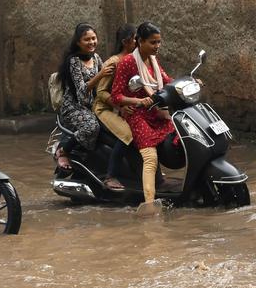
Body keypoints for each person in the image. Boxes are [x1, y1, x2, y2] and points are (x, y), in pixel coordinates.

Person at [110, 21, 174, 211]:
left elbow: (167, 80)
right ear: (140, 42)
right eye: (153, 43)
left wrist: (188, 82)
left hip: (156, 112)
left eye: (159, 42)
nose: (157, 46)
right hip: (138, 115)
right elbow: (116, 96)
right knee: (150, 157)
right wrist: (138, 102)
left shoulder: (153, 61)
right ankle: (149, 204)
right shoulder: (128, 62)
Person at [53, 23, 106, 174]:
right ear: (78, 42)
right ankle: (63, 151)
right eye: (87, 40)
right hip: (74, 106)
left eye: (94, 38)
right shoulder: (74, 61)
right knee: (91, 127)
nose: (91, 42)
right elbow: (82, 91)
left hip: (92, 106)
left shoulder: (96, 58)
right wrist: (100, 75)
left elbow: (106, 81)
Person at [94, 24, 137, 191]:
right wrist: (120, 106)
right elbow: (101, 92)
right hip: (105, 108)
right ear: (126, 42)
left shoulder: (137, 60)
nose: (138, 42)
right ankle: (110, 175)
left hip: (126, 106)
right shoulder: (113, 62)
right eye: (135, 39)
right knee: (127, 133)